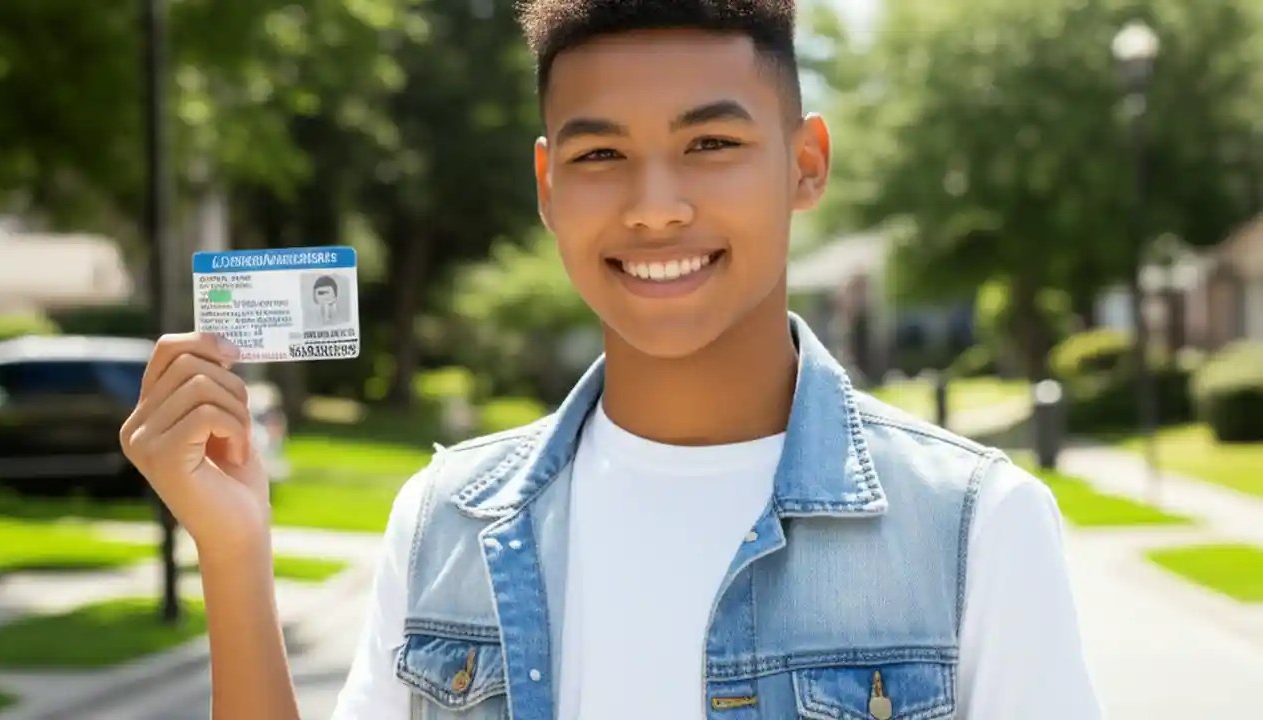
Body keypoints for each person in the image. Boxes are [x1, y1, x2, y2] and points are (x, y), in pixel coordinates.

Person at [119, 1, 1104, 718]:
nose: (653, 205)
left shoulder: (975, 527)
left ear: (804, 162)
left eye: (709, 142)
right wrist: (235, 552)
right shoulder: (446, 522)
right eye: (599, 156)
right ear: (547, 184)